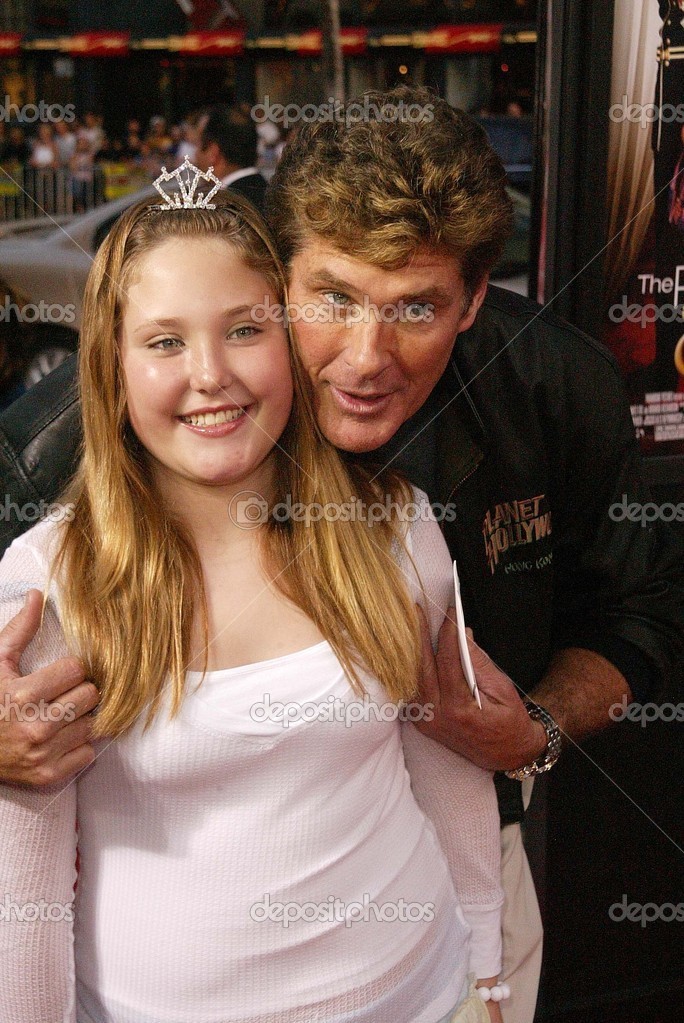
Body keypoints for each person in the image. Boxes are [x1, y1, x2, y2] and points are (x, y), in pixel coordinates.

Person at [0, 86, 682, 1022]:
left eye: (416, 308)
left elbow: (641, 613)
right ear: (273, 277)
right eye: (333, 297)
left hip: (466, 875)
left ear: (477, 297)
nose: (367, 357)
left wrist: (537, 730)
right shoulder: (59, 450)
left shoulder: (557, 390)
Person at [0, 182, 507, 1022]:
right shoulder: (52, 583)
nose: (211, 375)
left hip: (423, 993)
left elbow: (448, 763)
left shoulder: (393, 526)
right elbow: (26, 892)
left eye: (244, 328)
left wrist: (485, 972)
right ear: (113, 367)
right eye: (165, 340)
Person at [194, 103, 268, 212]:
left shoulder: (223, 212)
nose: (195, 154)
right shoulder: (273, 195)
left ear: (213, 153)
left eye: (198, 145)